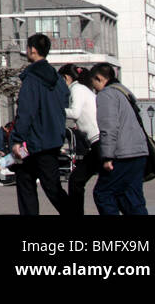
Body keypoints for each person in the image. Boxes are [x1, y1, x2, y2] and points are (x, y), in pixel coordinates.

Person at [11, 33, 70, 215]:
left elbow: (25, 112)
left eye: (28, 47)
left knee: (26, 185)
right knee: (53, 187)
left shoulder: (31, 79)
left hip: (33, 143)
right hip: (52, 141)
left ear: (33, 50)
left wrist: (17, 139)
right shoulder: (58, 79)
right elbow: (64, 104)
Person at [89, 63, 149, 215]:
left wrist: (107, 156)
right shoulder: (125, 92)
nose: (94, 88)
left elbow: (108, 127)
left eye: (94, 83)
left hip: (122, 154)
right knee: (131, 197)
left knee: (102, 194)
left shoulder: (106, 94)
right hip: (139, 152)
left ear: (99, 78)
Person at [60, 64, 100, 215]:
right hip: (97, 142)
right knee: (78, 180)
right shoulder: (83, 89)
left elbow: (75, 113)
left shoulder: (76, 89)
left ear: (66, 78)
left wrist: (55, 109)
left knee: (77, 180)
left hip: (98, 142)